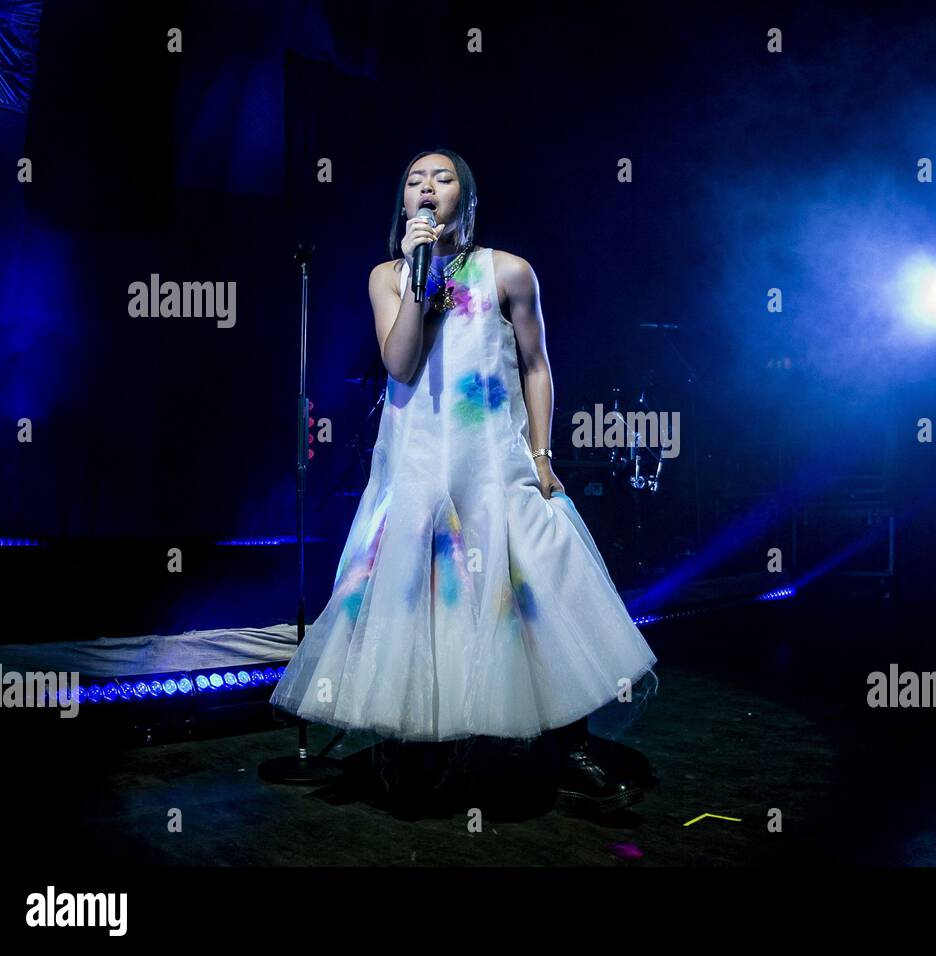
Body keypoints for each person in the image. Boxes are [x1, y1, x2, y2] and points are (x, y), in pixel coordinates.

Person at [270, 148, 658, 817]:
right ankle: (421, 741)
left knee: (537, 594)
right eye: (415, 180)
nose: (428, 187)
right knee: (420, 605)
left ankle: (570, 747)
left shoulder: (507, 271)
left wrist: (540, 452)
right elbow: (400, 361)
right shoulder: (389, 276)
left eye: (442, 178)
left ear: (465, 197)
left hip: (494, 463)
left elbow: (536, 365)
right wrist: (420, 280)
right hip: (417, 464)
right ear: (404, 203)